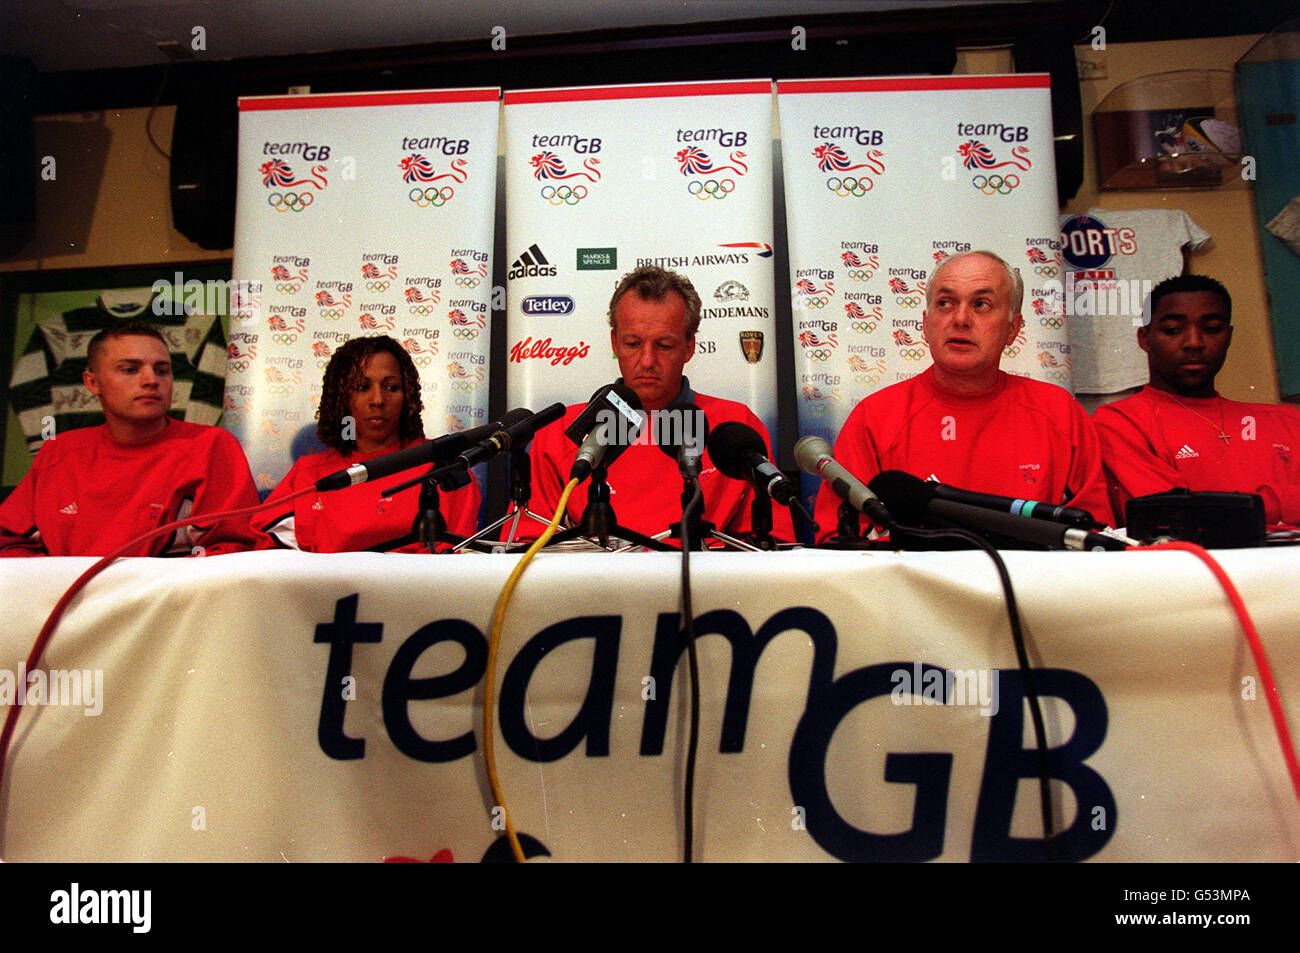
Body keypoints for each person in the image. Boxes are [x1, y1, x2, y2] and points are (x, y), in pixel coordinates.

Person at [814, 249, 1115, 541]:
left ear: (1013, 328)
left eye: (981, 304)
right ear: (926, 323)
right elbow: (838, 539)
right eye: (945, 303)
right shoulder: (876, 416)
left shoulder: (1059, 412)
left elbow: (1095, 534)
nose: (960, 319)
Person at [520, 265, 793, 544]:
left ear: (689, 347)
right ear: (614, 344)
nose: (648, 361)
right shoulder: (560, 433)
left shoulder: (735, 427)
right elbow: (524, 549)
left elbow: (770, 548)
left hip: (706, 586)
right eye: (633, 343)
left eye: (664, 345)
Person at [0, 323, 260, 556]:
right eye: (130, 369)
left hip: (168, 604)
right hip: (67, 604)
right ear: (93, 382)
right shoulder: (60, 452)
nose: (151, 381)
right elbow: (8, 542)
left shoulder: (209, 445)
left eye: (162, 370)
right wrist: (49, 589)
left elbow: (233, 551)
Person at [1092, 274, 1300, 526]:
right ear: (1144, 339)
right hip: (1199, 565)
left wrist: (1240, 509)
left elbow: (1199, 512)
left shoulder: (1286, 420)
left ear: (1229, 336)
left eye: (1211, 328)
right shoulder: (1121, 422)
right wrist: (1280, 502)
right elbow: (1169, 517)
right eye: (1172, 330)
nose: (1194, 342)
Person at [258, 335, 480, 552]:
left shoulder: (444, 466)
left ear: (408, 395)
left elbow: (454, 565)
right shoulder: (308, 474)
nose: (378, 400)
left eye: (391, 387)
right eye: (363, 387)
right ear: (342, 397)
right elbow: (268, 561)